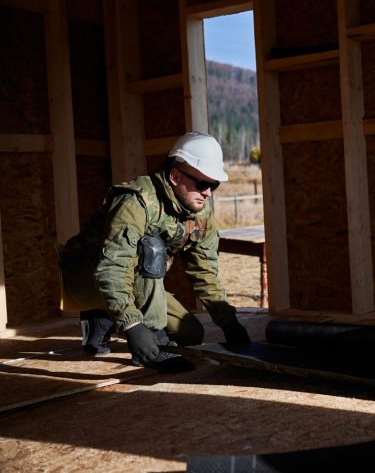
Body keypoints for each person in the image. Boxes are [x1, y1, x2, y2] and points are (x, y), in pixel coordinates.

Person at [59, 131, 252, 372]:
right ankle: (147, 339)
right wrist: (133, 328)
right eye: (202, 184)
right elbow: (111, 268)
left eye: (214, 185)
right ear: (175, 176)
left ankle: (104, 316)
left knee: (191, 334)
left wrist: (229, 322)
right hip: (87, 276)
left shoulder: (200, 214)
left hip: (133, 279)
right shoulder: (135, 202)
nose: (208, 193)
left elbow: (205, 273)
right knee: (151, 248)